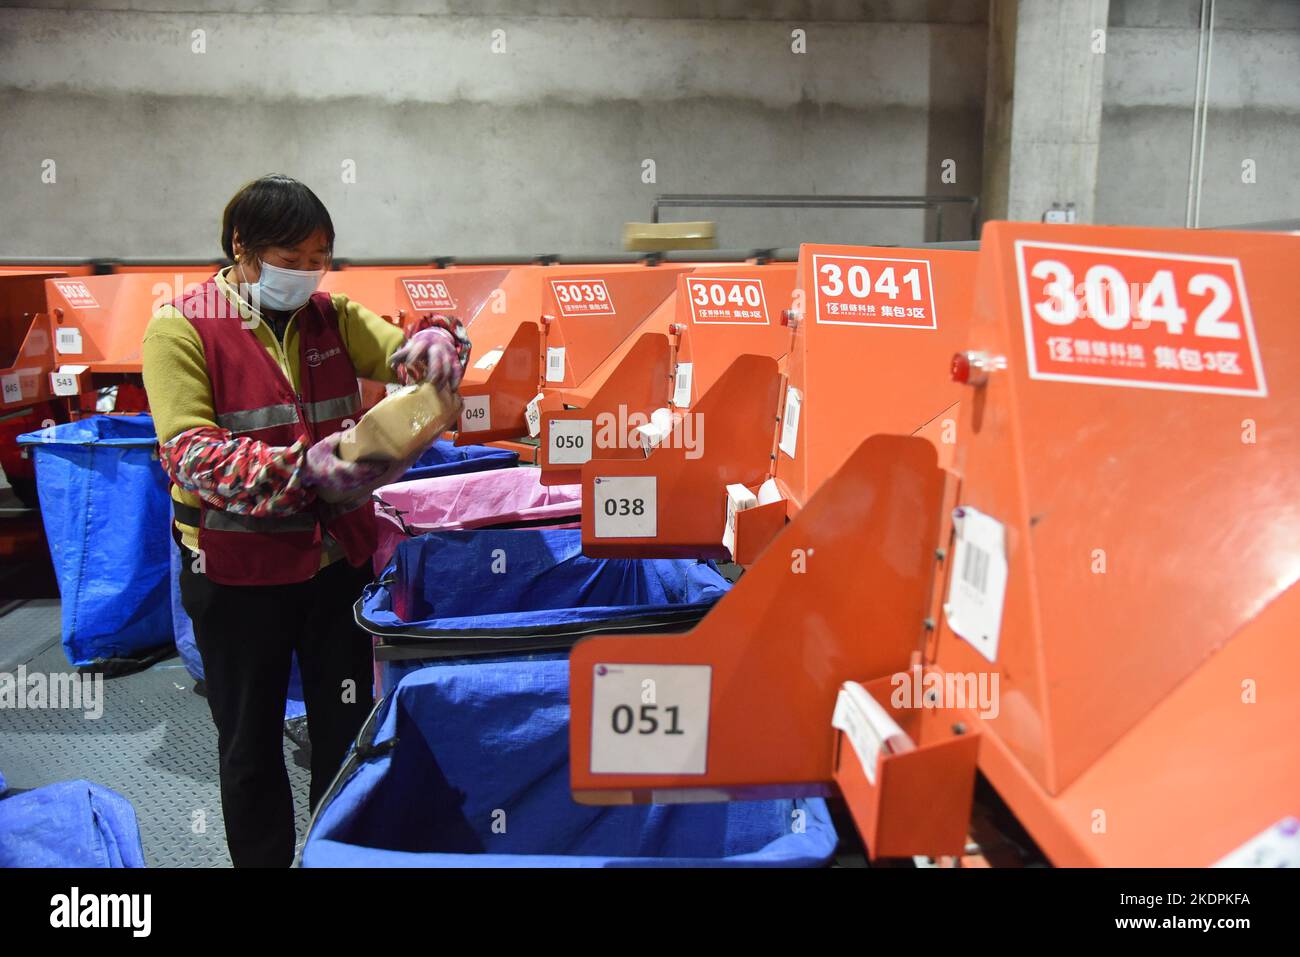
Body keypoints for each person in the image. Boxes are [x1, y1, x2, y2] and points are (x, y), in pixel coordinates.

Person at [141, 174, 470, 867]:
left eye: (322, 256)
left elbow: (409, 346)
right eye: (294, 258)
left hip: (332, 568)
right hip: (237, 575)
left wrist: (440, 346)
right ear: (243, 248)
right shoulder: (182, 327)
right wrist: (311, 470)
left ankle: (336, 854)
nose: (309, 273)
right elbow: (193, 455)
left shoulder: (334, 316)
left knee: (345, 729)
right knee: (250, 741)